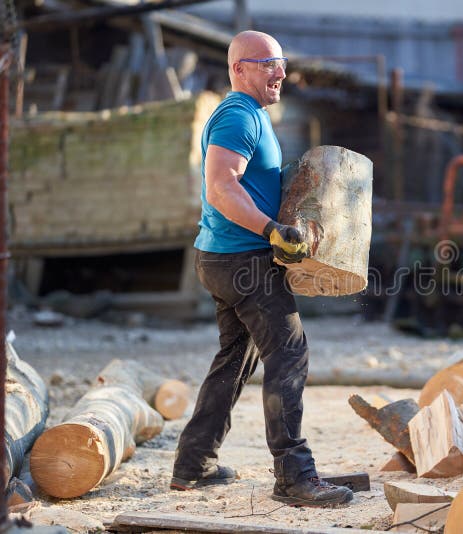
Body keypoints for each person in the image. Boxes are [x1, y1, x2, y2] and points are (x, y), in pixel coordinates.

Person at [169, 30, 353, 507]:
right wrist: (271, 229)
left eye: (282, 62)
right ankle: (295, 476)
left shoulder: (251, 116)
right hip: (242, 260)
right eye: (269, 63)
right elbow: (220, 186)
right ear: (240, 69)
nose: (281, 72)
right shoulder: (236, 116)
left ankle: (194, 465)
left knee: (235, 357)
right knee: (289, 354)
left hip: (222, 257)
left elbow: (245, 181)